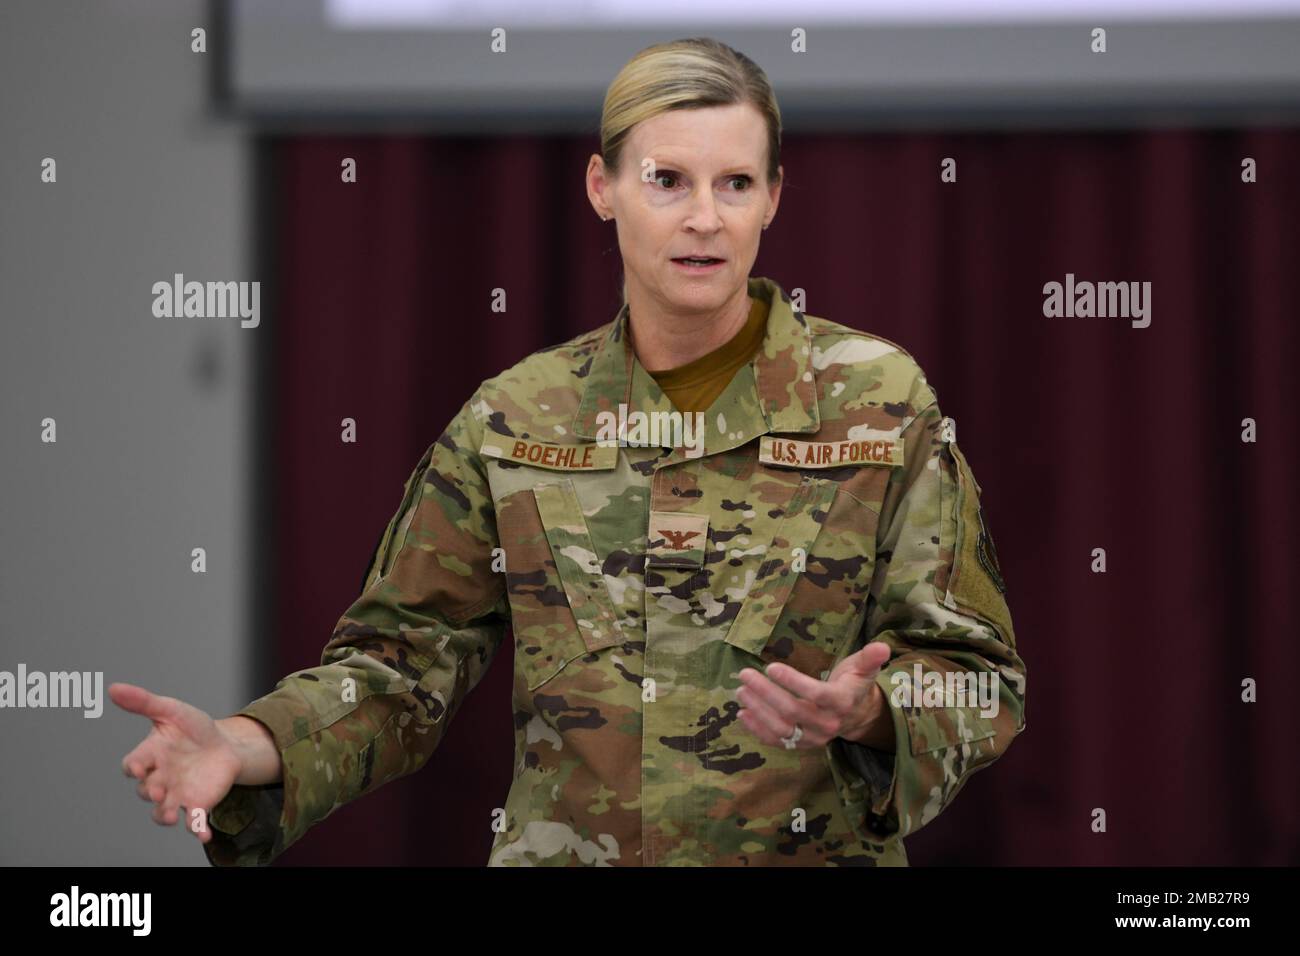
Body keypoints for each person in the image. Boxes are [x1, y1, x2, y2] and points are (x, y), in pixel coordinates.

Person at [114, 36, 1026, 866]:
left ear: (774, 198)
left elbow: (984, 683)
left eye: (736, 184)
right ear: (603, 188)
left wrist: (869, 712)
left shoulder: (879, 401)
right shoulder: (516, 418)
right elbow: (400, 667)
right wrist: (245, 741)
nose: (705, 217)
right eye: (668, 179)